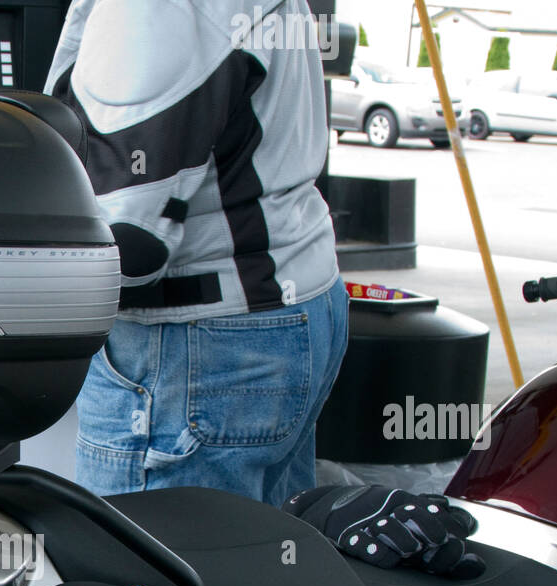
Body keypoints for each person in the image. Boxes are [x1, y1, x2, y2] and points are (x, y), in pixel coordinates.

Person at [45, 0, 349, 505]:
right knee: (255, 569)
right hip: (288, 304)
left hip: (195, 350)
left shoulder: (152, 10)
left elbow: (123, 242)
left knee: (147, 575)